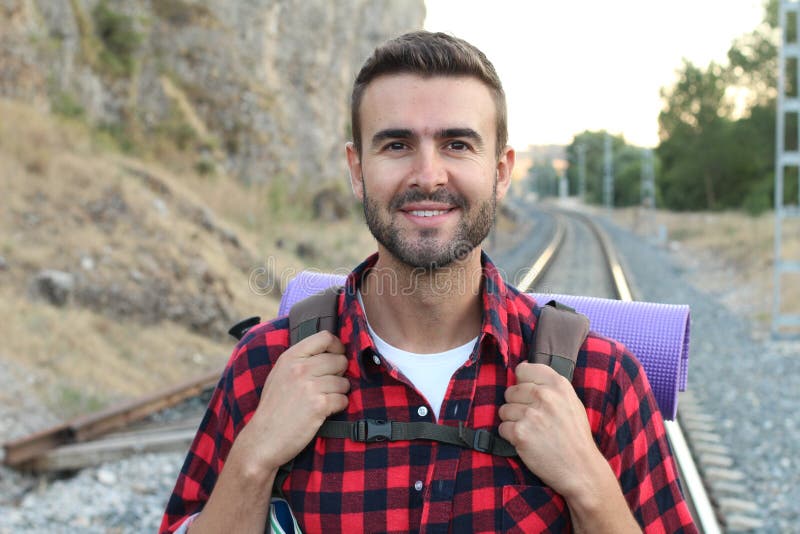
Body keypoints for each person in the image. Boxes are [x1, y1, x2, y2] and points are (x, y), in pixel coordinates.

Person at [160, 31, 697, 533]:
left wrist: (591, 487)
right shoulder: (264, 368)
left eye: (457, 145)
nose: (428, 175)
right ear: (356, 169)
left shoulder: (600, 383)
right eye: (396, 145)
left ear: (502, 170)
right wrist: (254, 460)